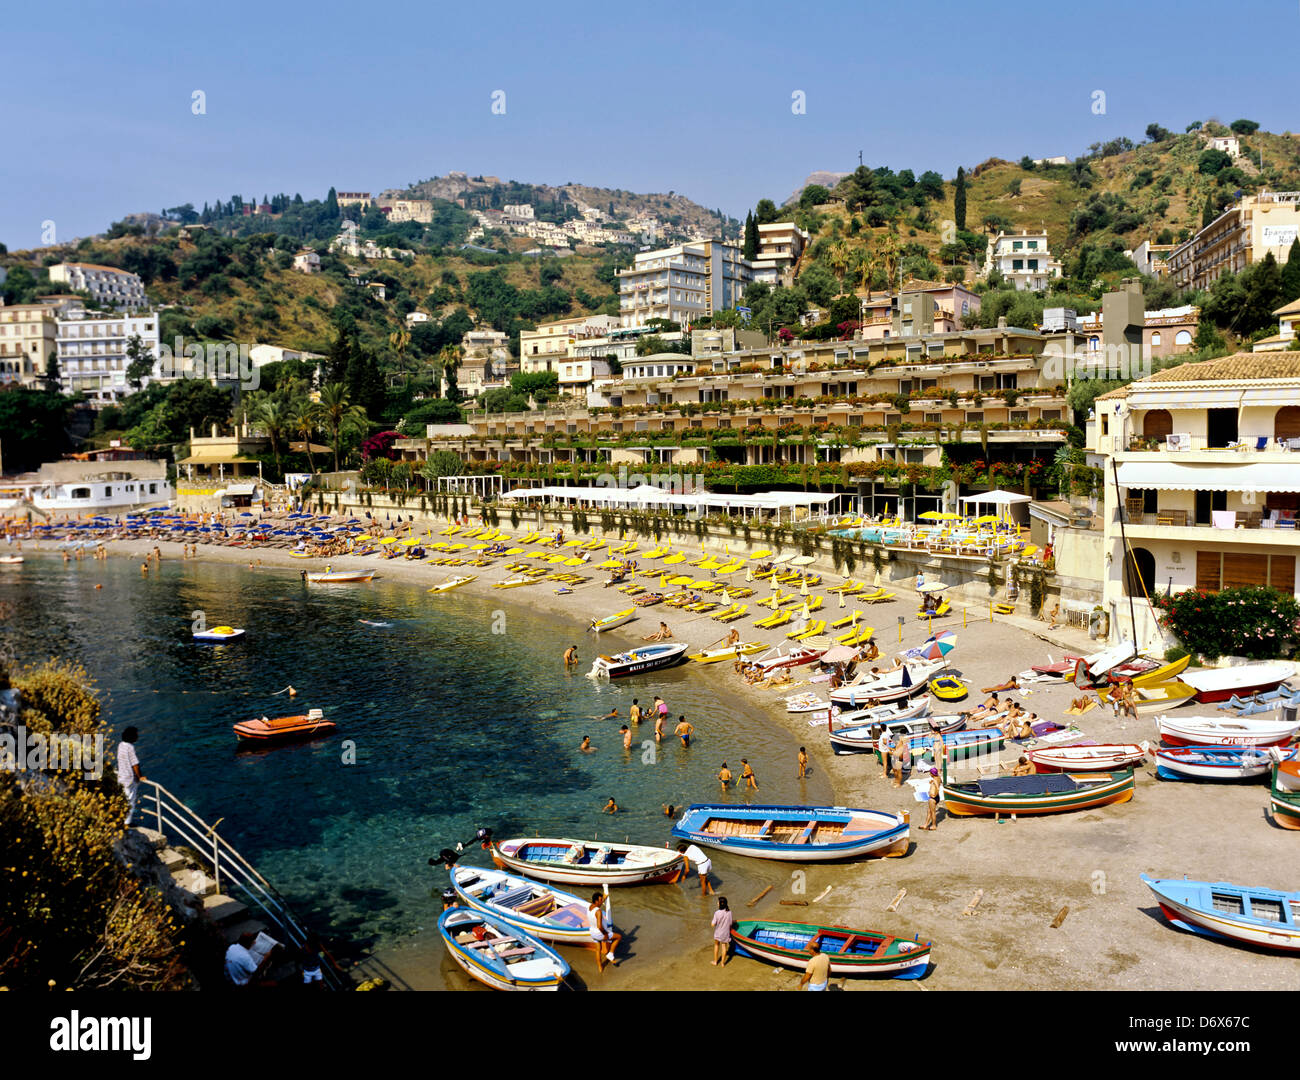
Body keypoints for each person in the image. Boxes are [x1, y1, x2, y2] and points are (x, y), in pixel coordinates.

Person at [116, 726, 144, 827]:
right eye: (136, 734)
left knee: (122, 800)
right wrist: (140, 776)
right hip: (129, 779)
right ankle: (127, 823)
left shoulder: (121, 745)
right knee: (130, 801)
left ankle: (120, 819)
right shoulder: (130, 747)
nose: (137, 736)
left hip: (121, 777)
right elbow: (135, 764)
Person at [589, 893, 617, 970]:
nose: (602, 902)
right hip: (600, 933)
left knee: (598, 949)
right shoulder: (598, 911)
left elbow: (598, 904)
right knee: (618, 937)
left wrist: (604, 897)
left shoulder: (590, 907)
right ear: (596, 901)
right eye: (601, 900)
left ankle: (600, 967)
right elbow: (599, 926)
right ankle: (610, 954)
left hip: (592, 933)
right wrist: (605, 934)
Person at [711, 897, 734, 967]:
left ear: (721, 904)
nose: (717, 903)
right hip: (726, 933)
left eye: (718, 902)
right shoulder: (729, 912)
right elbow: (730, 923)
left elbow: (712, 924)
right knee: (724, 947)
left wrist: (713, 923)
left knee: (716, 945)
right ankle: (722, 963)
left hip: (718, 933)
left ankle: (715, 961)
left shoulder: (717, 913)